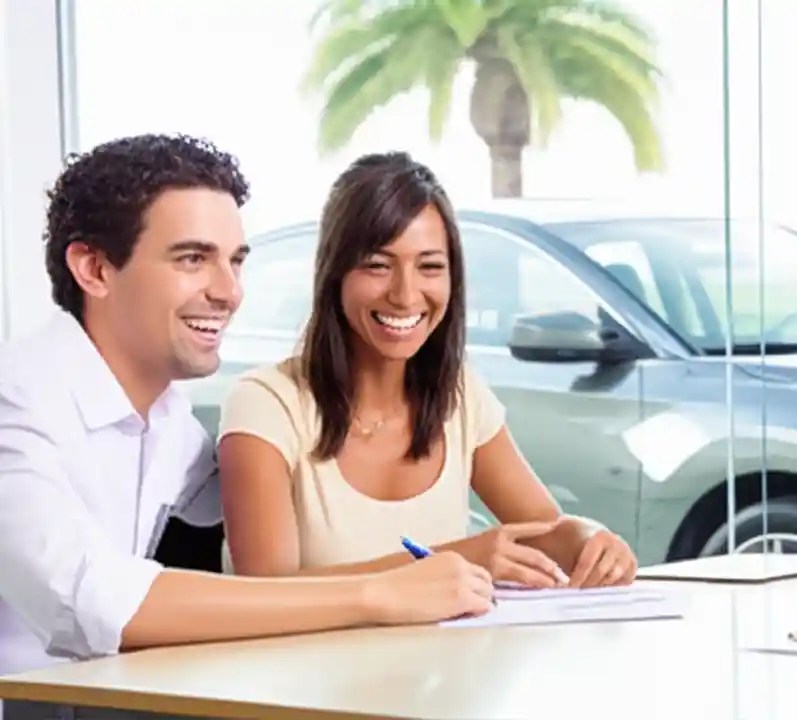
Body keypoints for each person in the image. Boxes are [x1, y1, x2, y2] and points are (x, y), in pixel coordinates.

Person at [0, 135, 495, 718]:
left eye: (234, 261)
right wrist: (377, 594)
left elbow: (275, 525)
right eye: (192, 259)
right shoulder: (16, 406)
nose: (228, 292)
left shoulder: (165, 418)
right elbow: (97, 603)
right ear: (94, 268)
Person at [215, 151, 638, 589]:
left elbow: (544, 533)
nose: (405, 295)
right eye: (378, 265)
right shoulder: (265, 405)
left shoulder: (460, 397)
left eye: (430, 267)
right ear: (335, 273)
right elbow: (267, 591)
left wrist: (589, 540)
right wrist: (454, 559)